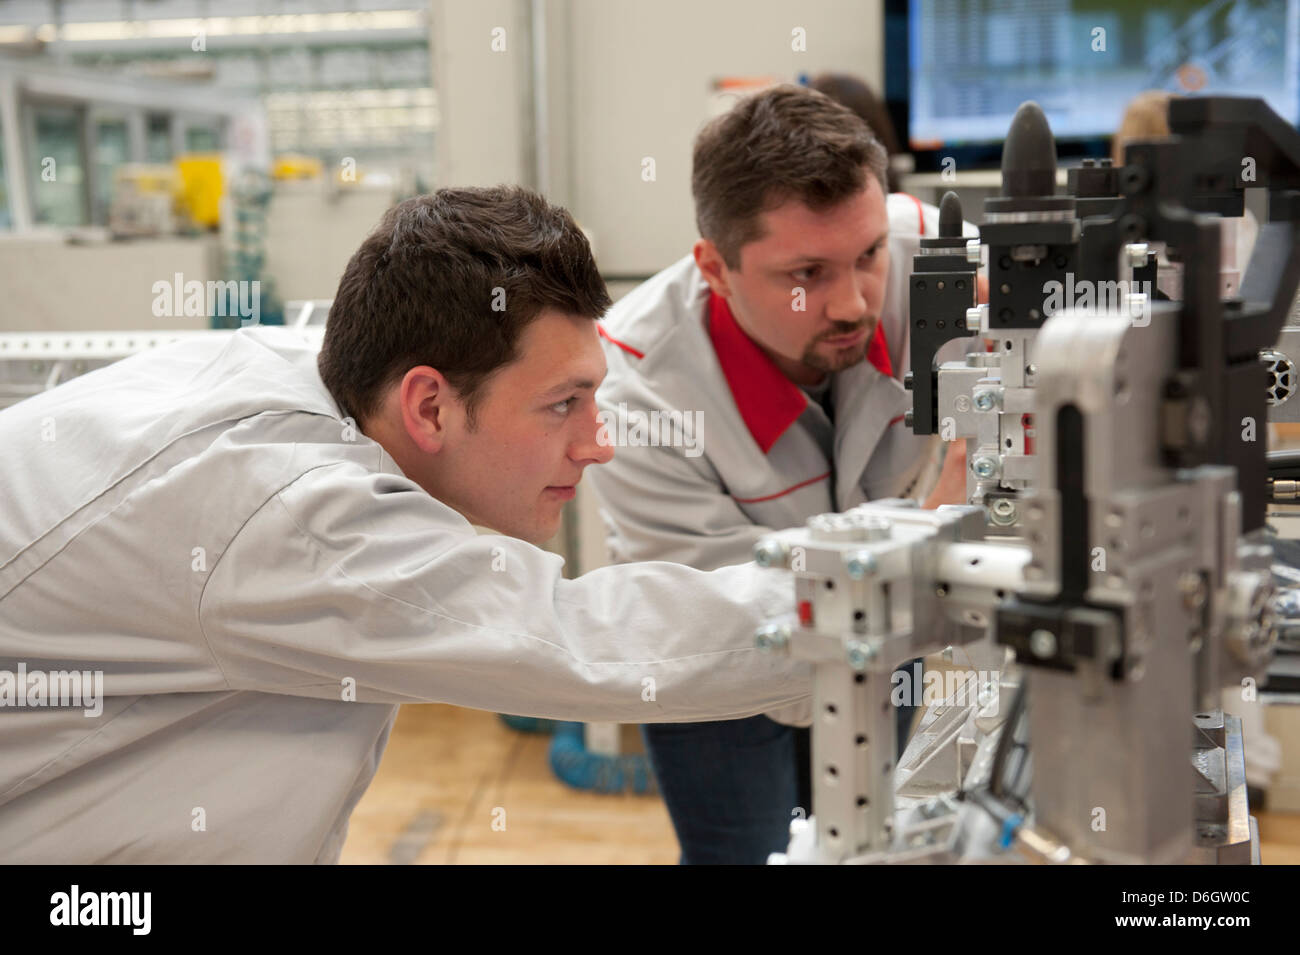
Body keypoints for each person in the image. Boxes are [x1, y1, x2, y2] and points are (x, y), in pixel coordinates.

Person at [0, 186, 813, 863]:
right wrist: (865, 595)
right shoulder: (293, 515)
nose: (598, 442)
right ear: (428, 403)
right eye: (563, 403)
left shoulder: (313, 376)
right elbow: (585, 644)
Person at [585, 85, 975, 865]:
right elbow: (746, 631)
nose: (855, 301)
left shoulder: (925, 250)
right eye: (807, 272)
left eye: (867, 255)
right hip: (719, 651)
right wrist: (942, 519)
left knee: (875, 848)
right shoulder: (636, 390)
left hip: (879, 622)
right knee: (744, 855)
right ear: (715, 268)